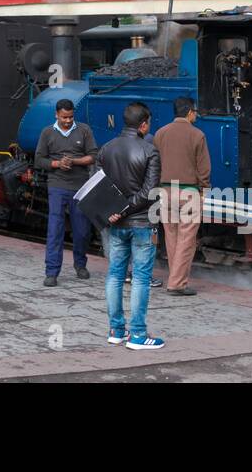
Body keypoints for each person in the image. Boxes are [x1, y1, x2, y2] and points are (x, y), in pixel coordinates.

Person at [99, 101, 165, 349]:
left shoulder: (106, 149)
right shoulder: (150, 151)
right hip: (142, 222)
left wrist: (113, 211)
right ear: (144, 124)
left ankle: (116, 330)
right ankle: (138, 335)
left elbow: (98, 186)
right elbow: (150, 191)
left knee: (115, 275)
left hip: (116, 224)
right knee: (140, 278)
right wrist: (125, 209)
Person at [34, 98, 99, 286]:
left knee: (81, 230)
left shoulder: (84, 130)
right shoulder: (47, 133)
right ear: (56, 114)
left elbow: (93, 156)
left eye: (70, 117)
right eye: (64, 117)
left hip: (80, 187)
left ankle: (80, 264)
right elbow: (39, 159)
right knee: (55, 229)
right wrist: (56, 164)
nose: (68, 121)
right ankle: (52, 272)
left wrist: (74, 161)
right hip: (56, 185)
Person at [153, 96, 210, 296]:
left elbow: (155, 164)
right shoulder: (197, 135)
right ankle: (177, 284)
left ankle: (174, 278)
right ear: (189, 112)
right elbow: (204, 169)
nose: (196, 115)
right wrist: (204, 191)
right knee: (187, 239)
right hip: (189, 192)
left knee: (171, 236)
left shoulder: (160, 133)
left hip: (165, 191)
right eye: (195, 111)